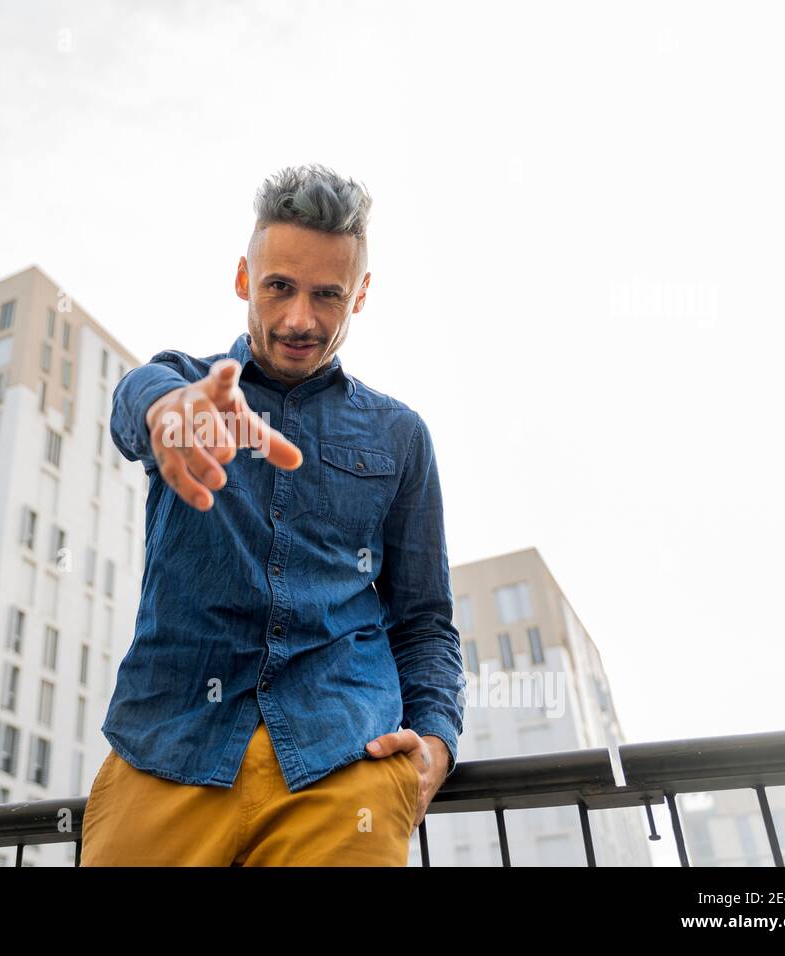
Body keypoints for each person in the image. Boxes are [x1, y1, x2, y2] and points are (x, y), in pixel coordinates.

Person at [80, 163, 465, 866]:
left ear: (362, 295)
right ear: (242, 279)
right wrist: (167, 414)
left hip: (343, 767)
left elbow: (424, 621)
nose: (299, 320)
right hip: (168, 748)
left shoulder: (401, 436)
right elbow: (138, 396)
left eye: (328, 295)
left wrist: (437, 738)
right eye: (278, 287)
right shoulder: (187, 385)